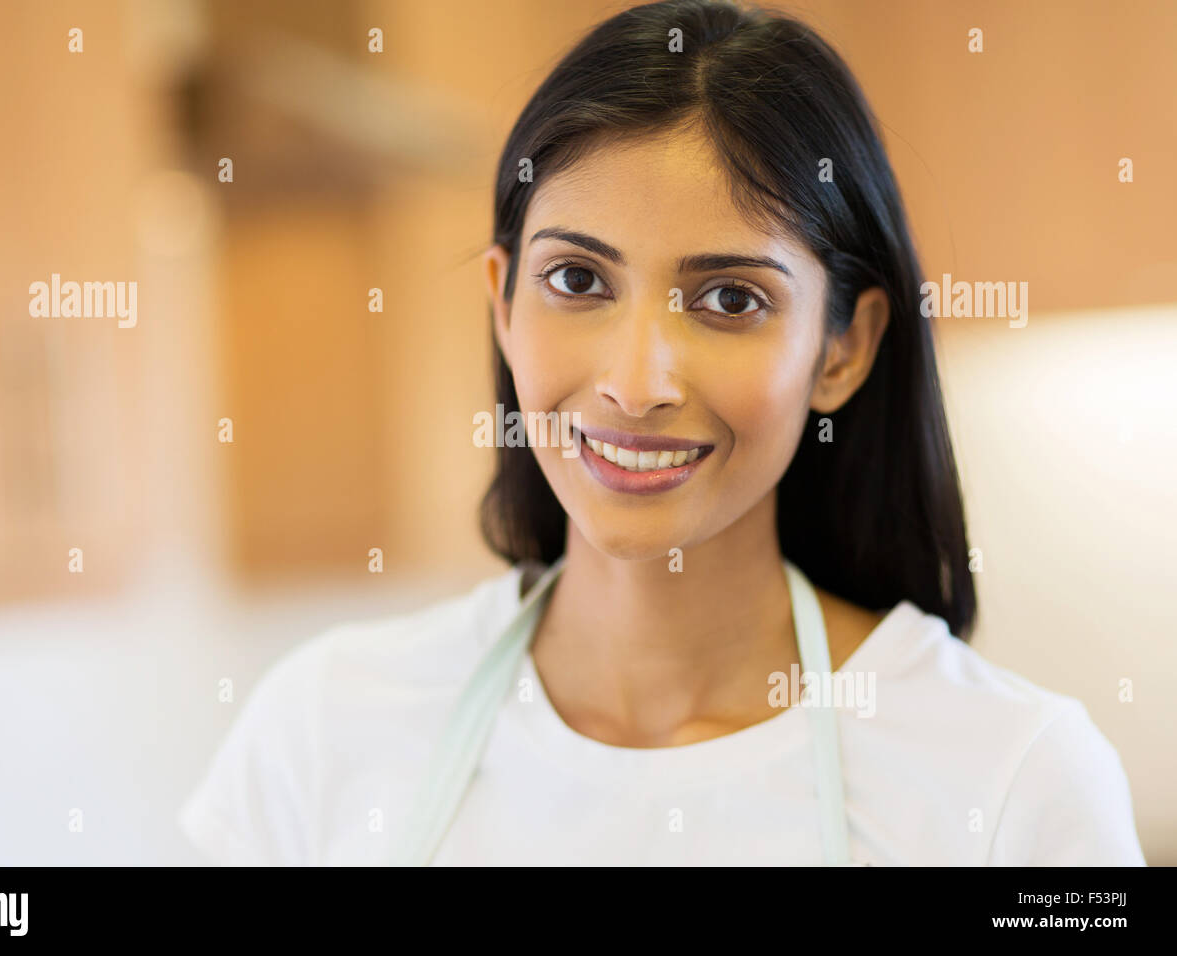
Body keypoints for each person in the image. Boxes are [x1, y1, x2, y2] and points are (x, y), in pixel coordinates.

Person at [177, 0, 1146, 866]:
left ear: (841, 349)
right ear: (503, 304)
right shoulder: (321, 730)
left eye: (729, 297)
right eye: (577, 281)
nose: (635, 385)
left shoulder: (1012, 783)